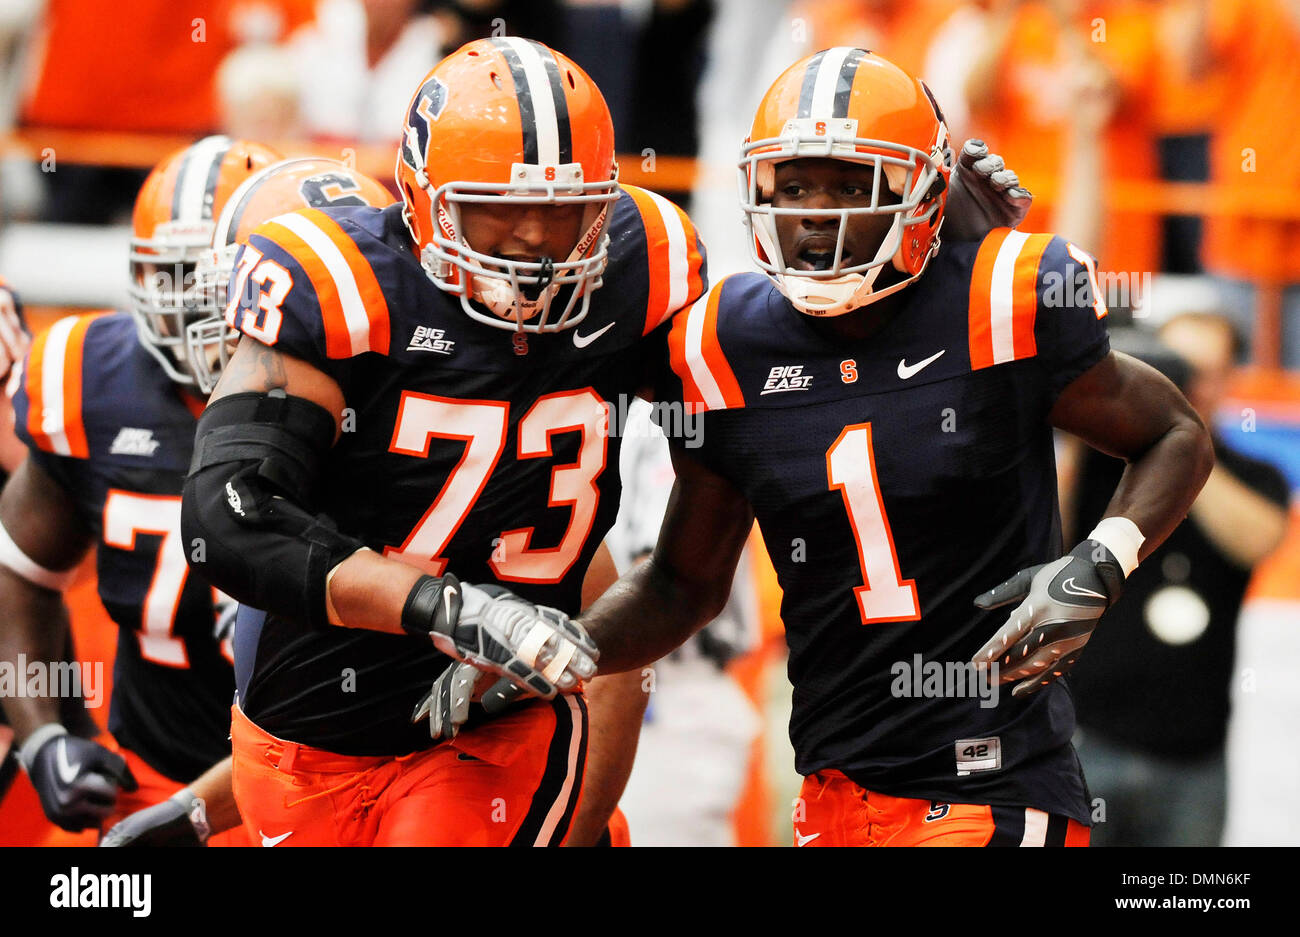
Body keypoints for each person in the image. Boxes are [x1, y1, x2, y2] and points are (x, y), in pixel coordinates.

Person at [180, 37, 1034, 847]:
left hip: (506, 722)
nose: (533, 244)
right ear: (420, 205)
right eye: (493, 214)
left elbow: (799, 383)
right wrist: (446, 606)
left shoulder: (644, 266)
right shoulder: (343, 284)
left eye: (562, 212)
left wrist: (934, 279)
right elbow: (230, 516)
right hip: (295, 736)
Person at [558, 48, 1214, 846]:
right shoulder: (726, 341)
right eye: (794, 186)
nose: (815, 215)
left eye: (850, 185)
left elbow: (1175, 431)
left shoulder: (998, 299)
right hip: (834, 793)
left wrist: (1103, 559)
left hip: (991, 786)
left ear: (921, 194)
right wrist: (545, 649)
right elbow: (680, 589)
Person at [0, 135, 299, 843]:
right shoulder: (90, 379)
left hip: (319, 783)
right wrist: (48, 733)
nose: (199, 320)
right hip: (148, 775)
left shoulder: (350, 390)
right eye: (177, 282)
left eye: (218, 285)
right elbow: (22, 570)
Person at [1065, 312, 1290, 846]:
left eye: (1204, 372)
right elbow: (1043, 513)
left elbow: (1260, 540)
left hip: (1194, 757)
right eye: (1173, 370)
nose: (1189, 384)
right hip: (1087, 738)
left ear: (1229, 380)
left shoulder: (1253, 473)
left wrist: (1179, 446)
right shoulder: (1103, 463)